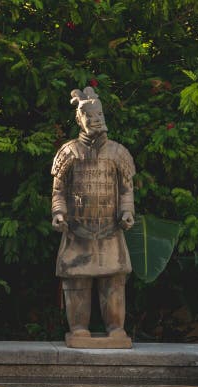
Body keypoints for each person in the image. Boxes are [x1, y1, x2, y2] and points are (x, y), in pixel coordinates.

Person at [51, 86, 136, 348]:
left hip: (111, 230)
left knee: (113, 283)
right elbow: (58, 190)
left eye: (99, 113)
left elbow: (126, 190)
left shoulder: (118, 152)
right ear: (80, 119)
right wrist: (58, 212)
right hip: (77, 231)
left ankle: (116, 329)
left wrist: (127, 211)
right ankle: (78, 329)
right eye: (90, 115)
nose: (96, 119)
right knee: (77, 282)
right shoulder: (69, 152)